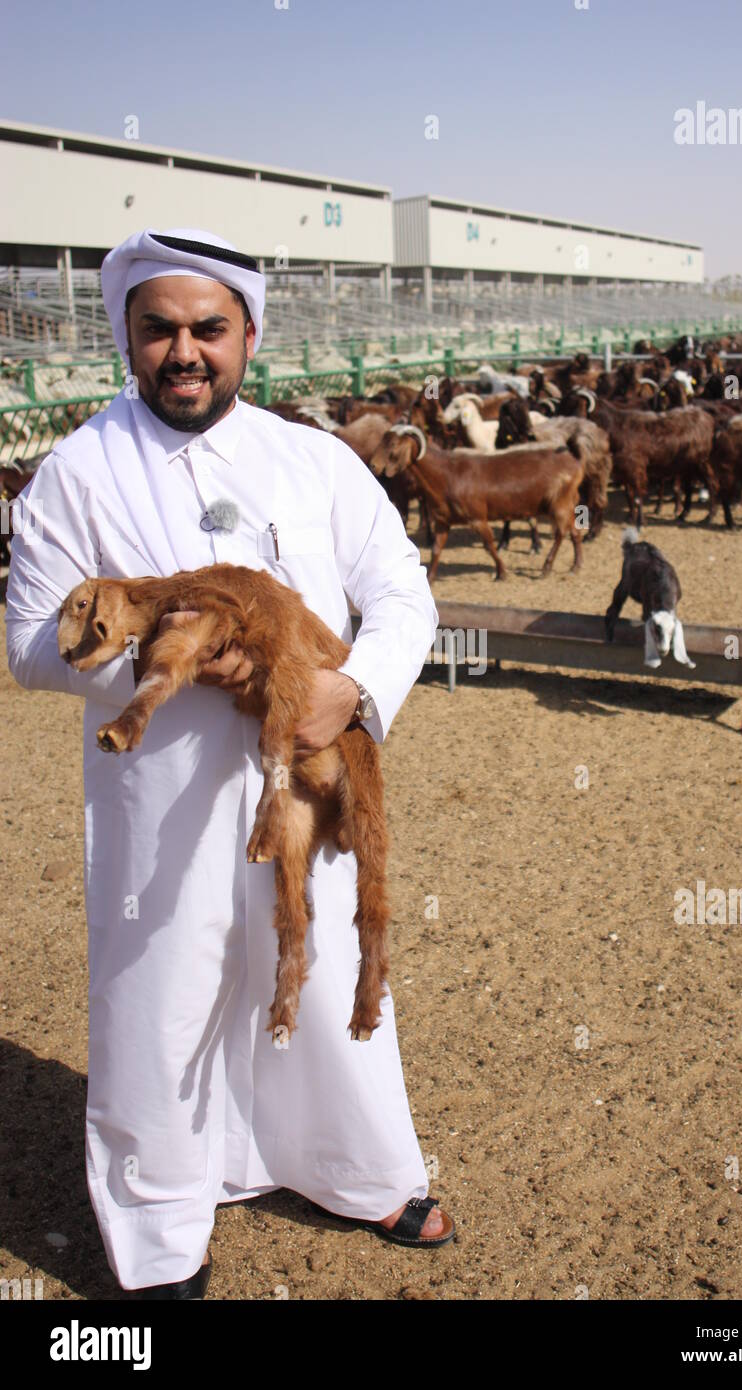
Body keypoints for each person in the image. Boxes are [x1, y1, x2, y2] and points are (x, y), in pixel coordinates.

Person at [5, 227, 454, 1299]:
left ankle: (359, 1171)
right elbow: (26, 644)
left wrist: (357, 689)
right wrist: (185, 659)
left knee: (329, 967)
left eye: (208, 328)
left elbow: (401, 591)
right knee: (160, 991)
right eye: (158, 329)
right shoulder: (78, 471)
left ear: (248, 334)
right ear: (127, 335)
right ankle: (162, 1229)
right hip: (161, 803)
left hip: (307, 782)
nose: (184, 350)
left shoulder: (313, 459)